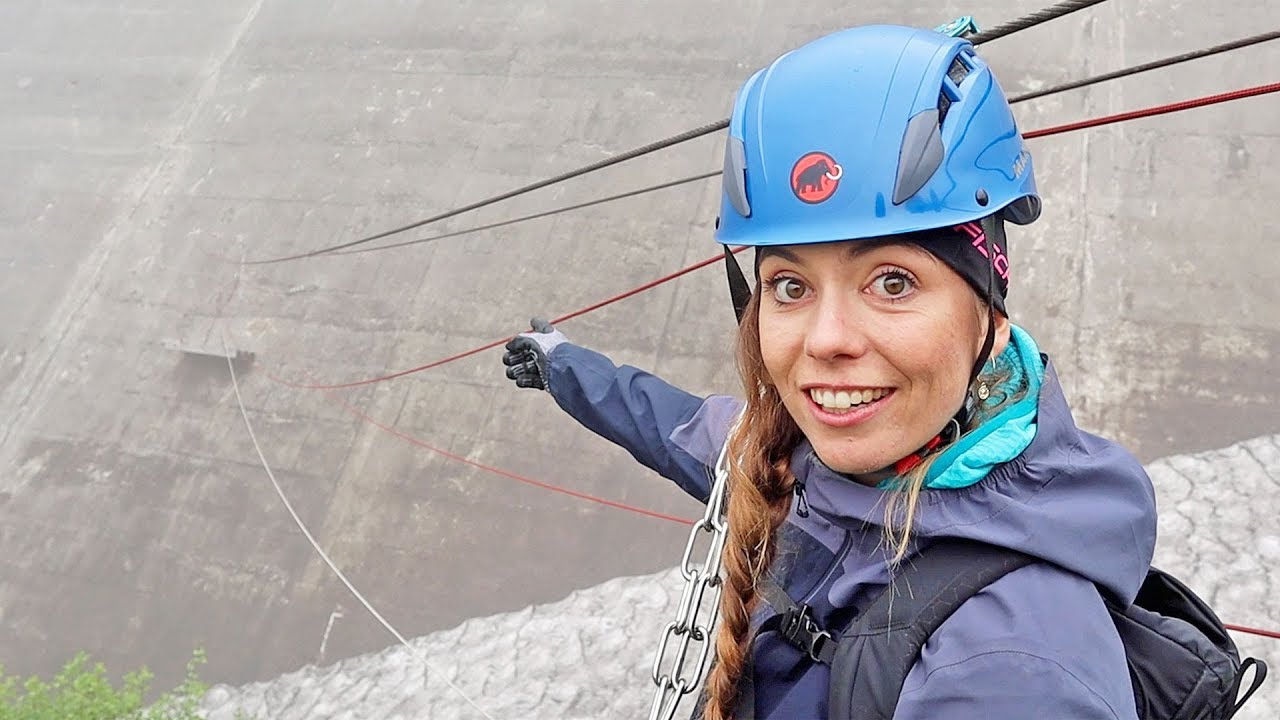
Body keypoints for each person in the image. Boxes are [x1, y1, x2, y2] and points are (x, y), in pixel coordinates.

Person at [502, 24, 1156, 720]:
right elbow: (675, 424)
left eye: (893, 282)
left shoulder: (1015, 669)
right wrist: (563, 364)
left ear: (989, 315)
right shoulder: (794, 458)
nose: (826, 340)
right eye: (790, 287)